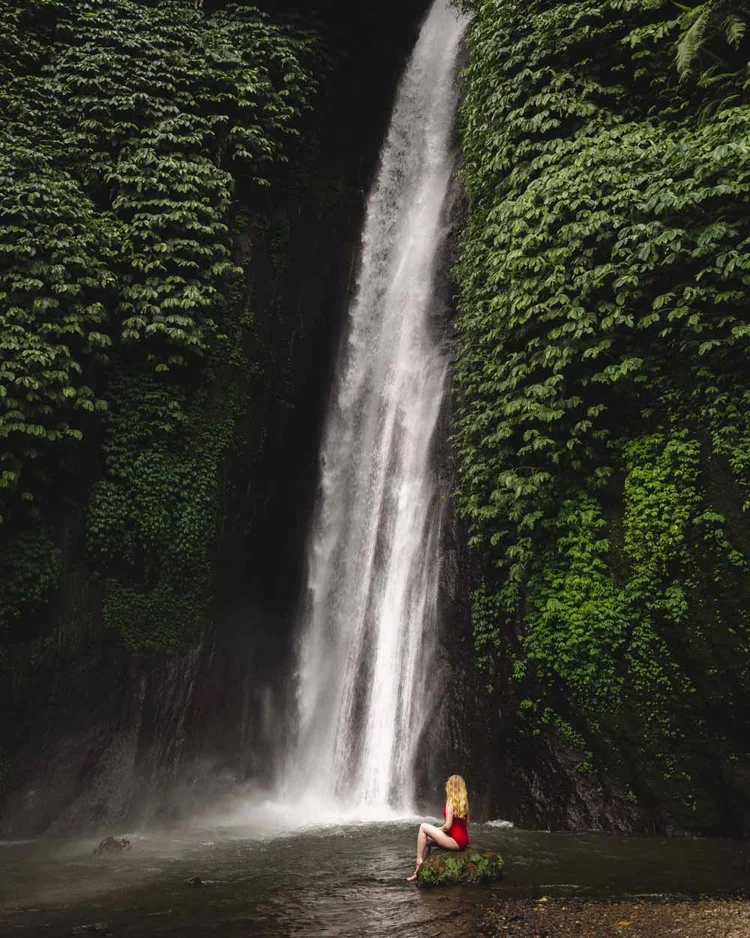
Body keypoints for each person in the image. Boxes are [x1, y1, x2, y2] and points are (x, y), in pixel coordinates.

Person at [407, 774, 470, 881]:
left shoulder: (450, 803)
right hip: (464, 840)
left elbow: (447, 826)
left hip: (454, 841)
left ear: (450, 787)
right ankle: (420, 870)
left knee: (423, 827)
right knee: (426, 841)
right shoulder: (465, 802)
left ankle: (419, 862)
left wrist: (436, 830)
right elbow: (467, 823)